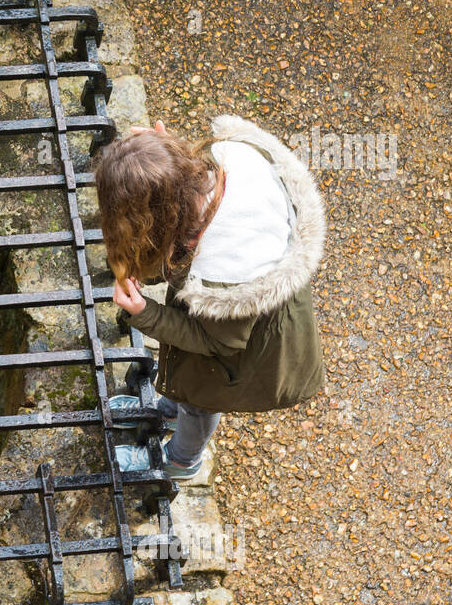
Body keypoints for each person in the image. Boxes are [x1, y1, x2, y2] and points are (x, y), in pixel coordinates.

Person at [94, 115, 327, 479]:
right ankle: (169, 407)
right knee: (186, 388)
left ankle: (181, 461)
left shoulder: (230, 276)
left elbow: (213, 343)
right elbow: (182, 182)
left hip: (237, 351)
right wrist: (161, 159)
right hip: (229, 328)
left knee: (200, 404)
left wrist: (145, 312)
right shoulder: (219, 168)